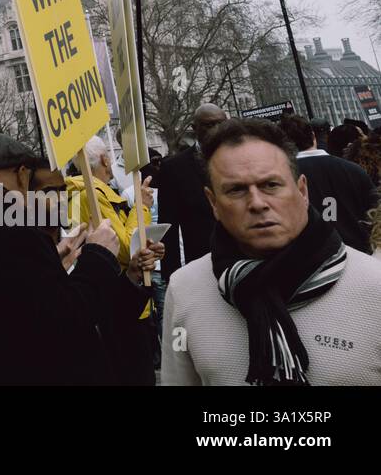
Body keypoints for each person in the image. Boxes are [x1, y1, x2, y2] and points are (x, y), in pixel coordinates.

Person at [162, 119, 381, 385]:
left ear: (302, 190)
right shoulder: (185, 290)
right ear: (213, 203)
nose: (257, 203)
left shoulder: (374, 285)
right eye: (236, 189)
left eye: (271, 185)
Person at [0, 133, 159, 385]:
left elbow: (15, 305)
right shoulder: (15, 230)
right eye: (47, 190)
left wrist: (57, 266)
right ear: (21, 174)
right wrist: (98, 255)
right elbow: (64, 320)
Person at [63, 138, 157, 385]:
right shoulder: (90, 194)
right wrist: (141, 209)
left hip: (121, 301)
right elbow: (125, 249)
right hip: (122, 306)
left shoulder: (87, 192)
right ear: (105, 159)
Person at [278, 114, 377, 254]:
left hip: (312, 260)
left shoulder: (282, 180)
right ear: (313, 135)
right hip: (361, 254)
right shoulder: (353, 169)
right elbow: (375, 213)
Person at [156, 103, 228, 278]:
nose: (216, 130)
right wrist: (171, 275)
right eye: (209, 125)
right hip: (202, 265)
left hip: (245, 260)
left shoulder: (242, 157)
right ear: (194, 128)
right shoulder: (174, 168)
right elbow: (168, 226)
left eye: (221, 123)